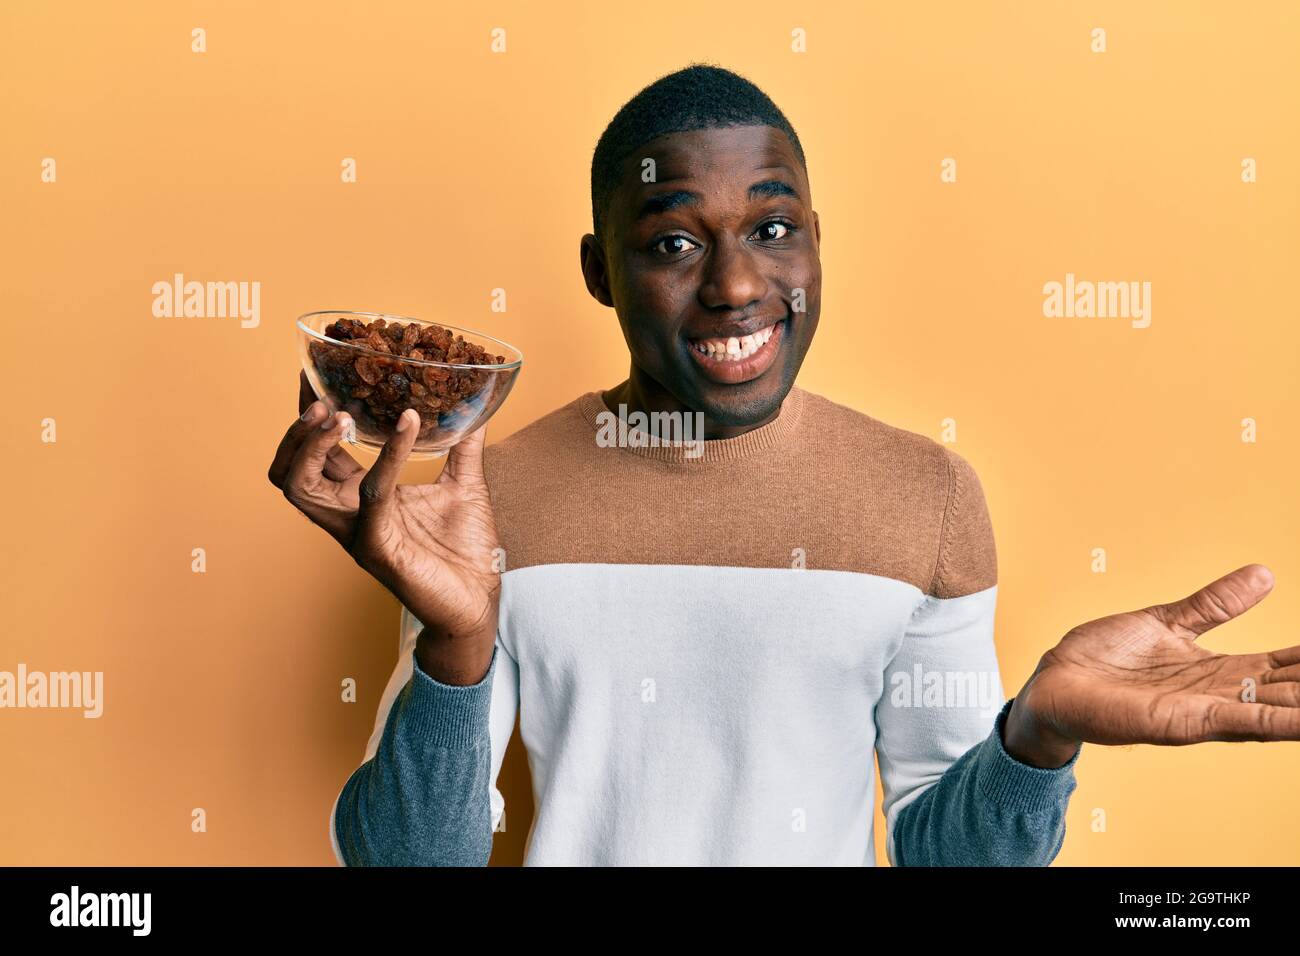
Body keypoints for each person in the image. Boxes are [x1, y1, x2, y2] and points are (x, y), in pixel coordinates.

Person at [267, 63, 1296, 866]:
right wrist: (458, 637)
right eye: (672, 242)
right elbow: (407, 856)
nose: (735, 284)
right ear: (600, 270)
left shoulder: (928, 497)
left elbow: (947, 853)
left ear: (816, 242)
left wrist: (1036, 735)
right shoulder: (489, 500)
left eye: (771, 228)